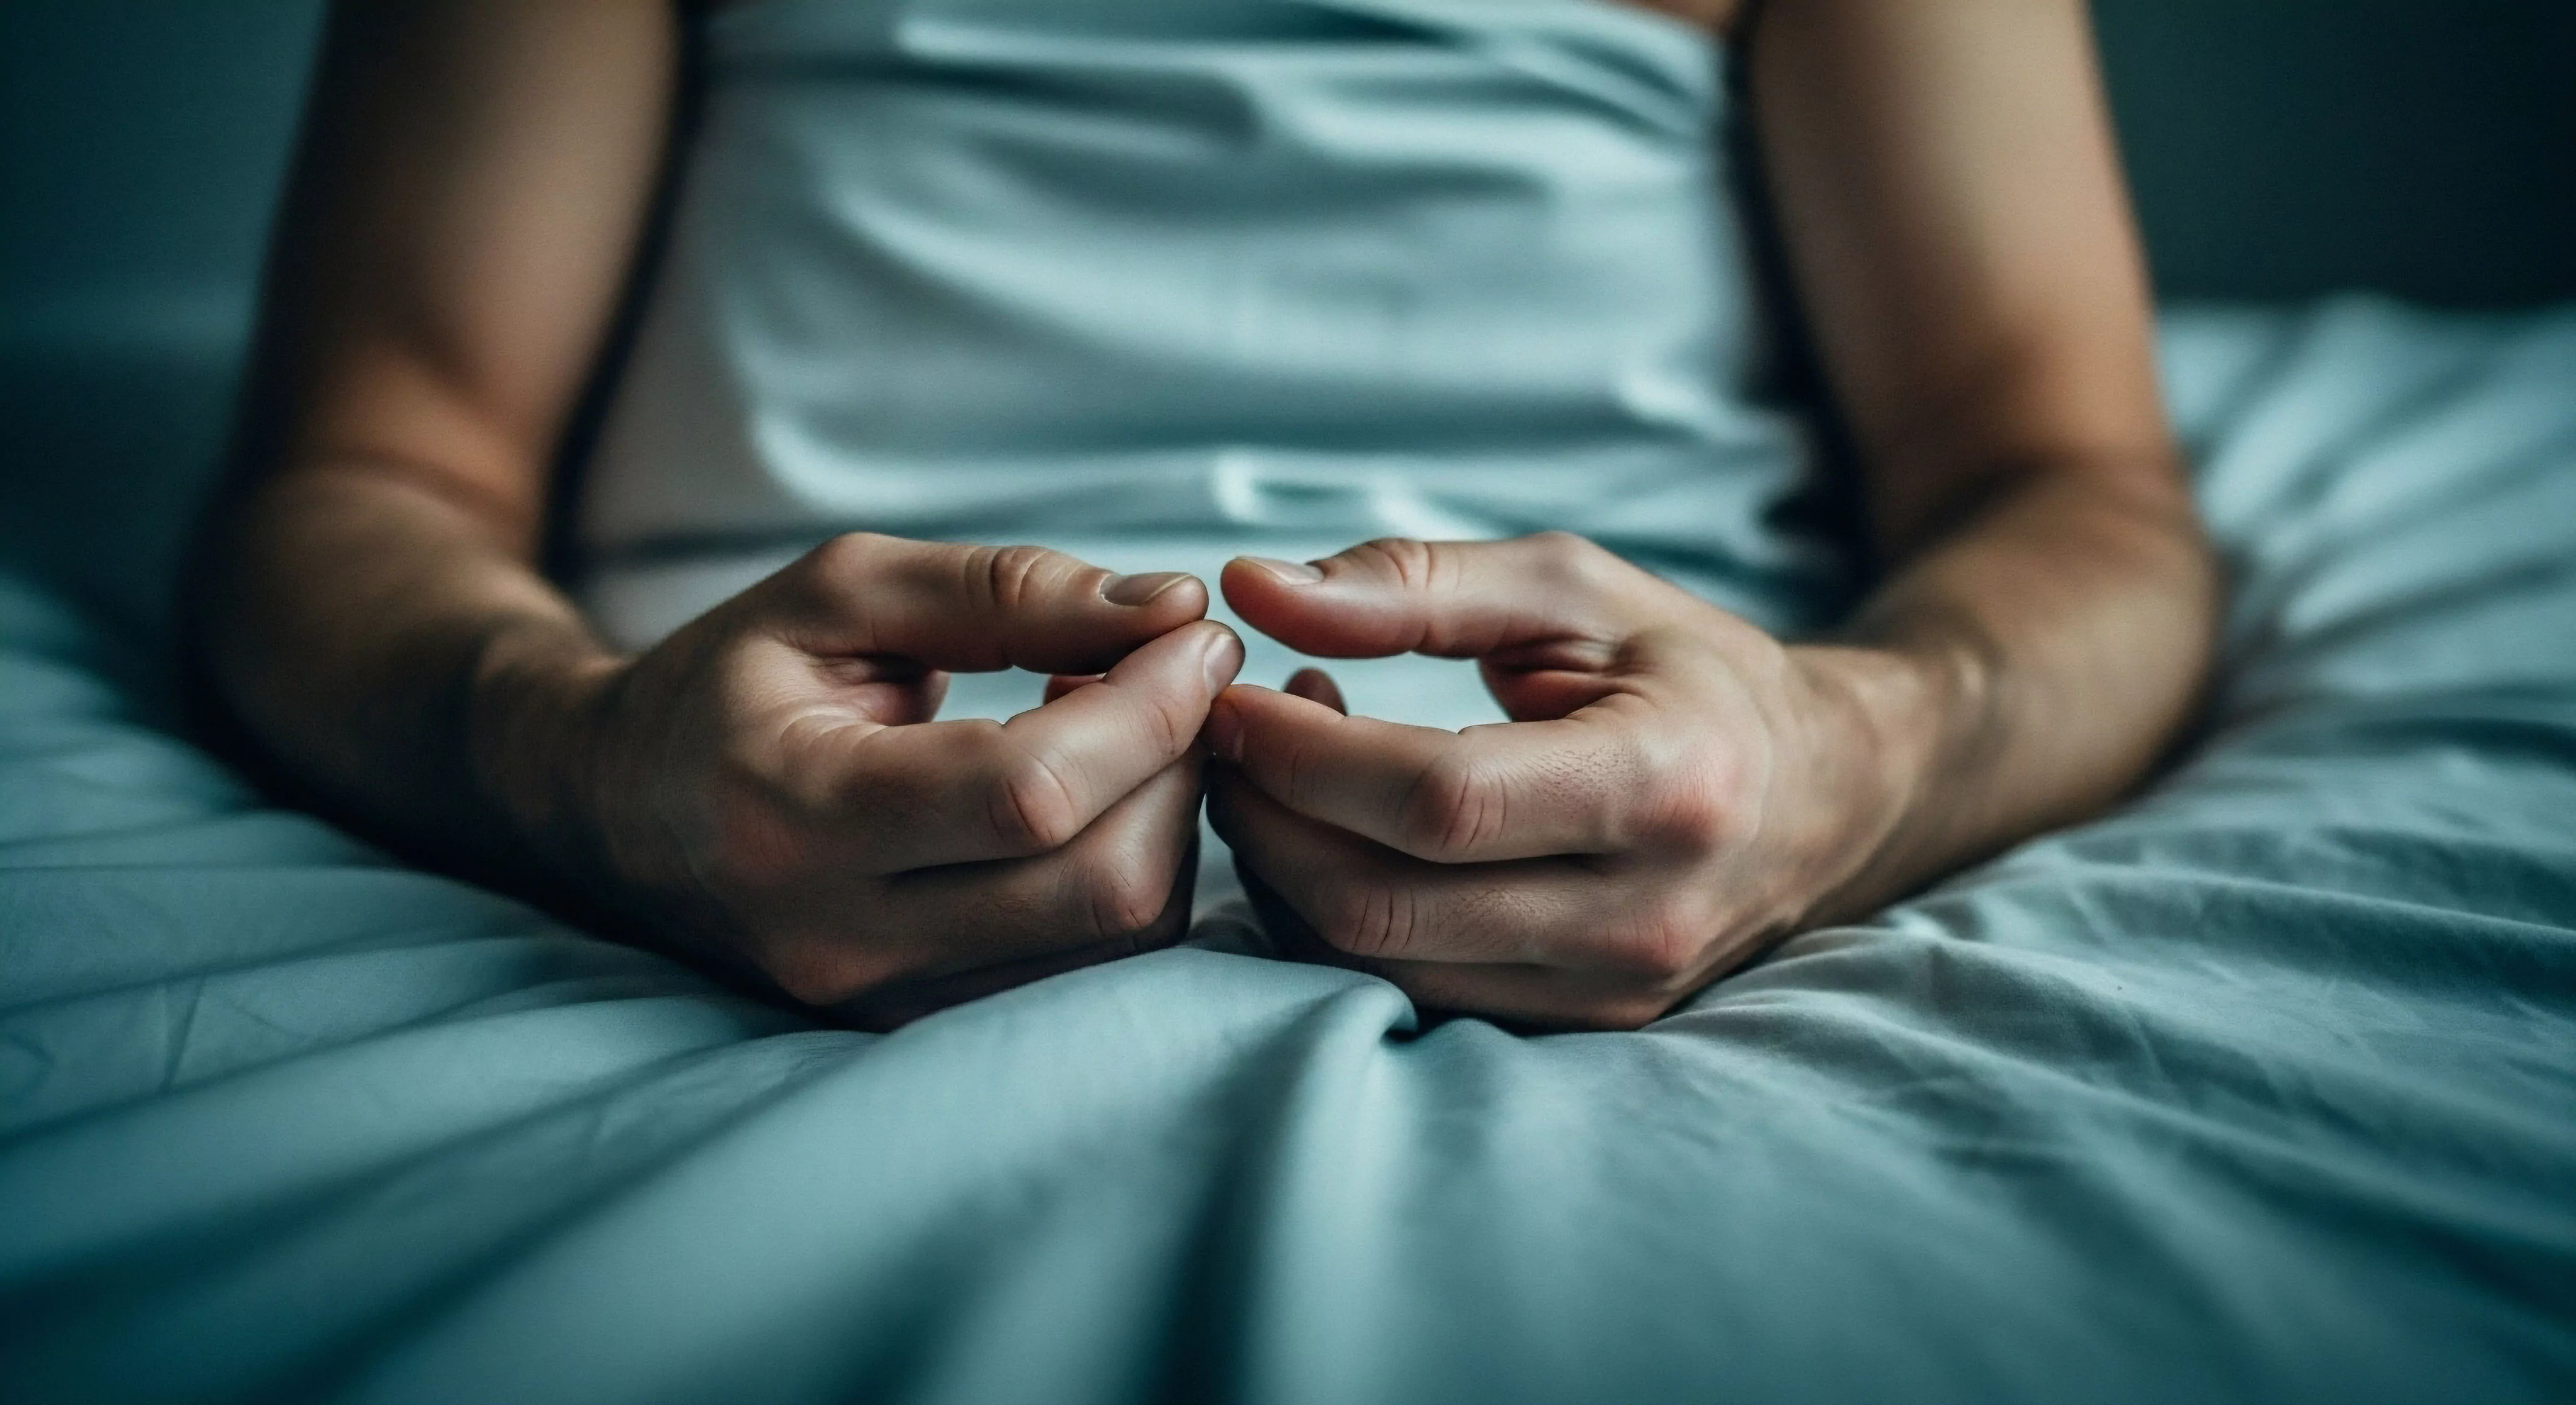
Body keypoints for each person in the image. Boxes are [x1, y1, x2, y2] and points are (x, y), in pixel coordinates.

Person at [193, 0, 2214, 1031]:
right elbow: (360, 477)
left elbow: (2072, 490)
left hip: (1670, 948)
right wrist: (575, 761)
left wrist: (1850, 754)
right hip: (721, 929)